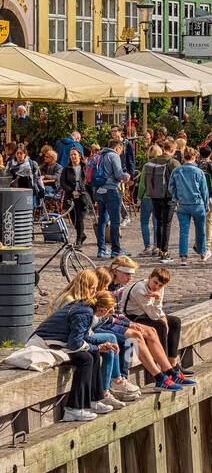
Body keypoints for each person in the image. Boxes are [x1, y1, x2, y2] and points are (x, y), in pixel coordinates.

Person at [31, 270, 101, 421]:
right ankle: (74, 408)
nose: (94, 292)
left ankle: (93, 400)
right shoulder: (80, 307)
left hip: (60, 343)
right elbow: (75, 343)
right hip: (46, 344)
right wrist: (96, 346)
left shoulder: (83, 306)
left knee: (93, 354)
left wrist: (98, 347)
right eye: (93, 288)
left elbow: (83, 337)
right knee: (85, 359)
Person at [119, 265, 192, 389]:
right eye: (155, 282)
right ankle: (165, 371)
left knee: (175, 321)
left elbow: (157, 313)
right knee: (161, 325)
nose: (156, 287)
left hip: (145, 315)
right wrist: (158, 302)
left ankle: (173, 364)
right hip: (132, 317)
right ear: (149, 278)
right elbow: (153, 315)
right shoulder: (140, 290)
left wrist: (162, 315)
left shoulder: (159, 289)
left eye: (160, 285)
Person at [107, 257, 178, 382]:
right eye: (127, 274)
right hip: (112, 321)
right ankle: (124, 379)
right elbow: (106, 316)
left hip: (122, 318)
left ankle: (170, 369)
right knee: (131, 338)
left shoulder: (119, 287)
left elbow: (118, 312)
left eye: (131, 274)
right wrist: (129, 324)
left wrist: (129, 324)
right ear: (116, 271)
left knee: (156, 329)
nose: (130, 278)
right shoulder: (108, 287)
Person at [169, 147, 211, 264]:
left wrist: (176, 197)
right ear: (194, 157)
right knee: (200, 230)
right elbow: (204, 191)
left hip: (183, 204)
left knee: (184, 231)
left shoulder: (177, 171)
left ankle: (183, 256)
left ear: (183, 157)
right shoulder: (198, 172)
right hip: (197, 204)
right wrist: (207, 206)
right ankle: (202, 252)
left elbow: (171, 187)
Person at [143, 141, 179, 261]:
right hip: (168, 197)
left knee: (158, 222)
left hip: (154, 196)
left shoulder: (152, 161)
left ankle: (158, 248)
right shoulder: (173, 162)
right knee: (166, 224)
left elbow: (146, 179)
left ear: (163, 148)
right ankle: (165, 252)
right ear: (173, 150)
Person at [94, 138, 129, 259]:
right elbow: (119, 174)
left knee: (102, 220)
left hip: (99, 190)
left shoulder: (100, 155)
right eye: (121, 150)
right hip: (111, 190)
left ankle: (101, 249)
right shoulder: (114, 156)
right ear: (117, 148)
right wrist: (126, 176)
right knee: (115, 221)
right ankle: (116, 249)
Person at [60, 147, 92, 246]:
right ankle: (82, 235)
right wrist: (71, 190)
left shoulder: (85, 167)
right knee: (73, 219)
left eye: (75, 154)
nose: (73, 156)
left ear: (79, 155)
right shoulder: (66, 168)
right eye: (71, 155)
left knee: (79, 218)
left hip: (83, 196)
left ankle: (78, 240)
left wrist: (93, 198)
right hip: (71, 196)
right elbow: (62, 182)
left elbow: (90, 183)